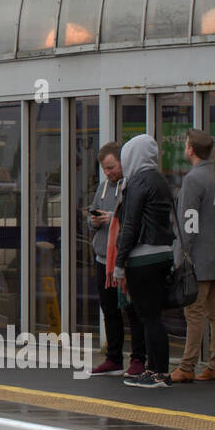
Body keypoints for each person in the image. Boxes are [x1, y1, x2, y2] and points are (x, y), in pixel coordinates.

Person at [111, 134, 176, 389]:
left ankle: (158, 372)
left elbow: (130, 225)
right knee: (154, 316)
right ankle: (154, 369)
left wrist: (119, 262)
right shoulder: (160, 180)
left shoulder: (137, 182)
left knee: (148, 317)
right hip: (162, 253)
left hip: (143, 257)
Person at [171, 129, 215, 383]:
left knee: (193, 313)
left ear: (191, 149)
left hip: (198, 259)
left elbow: (188, 222)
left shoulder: (193, 180)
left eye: (185, 144)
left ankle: (187, 366)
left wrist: (183, 255)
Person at [88, 142, 146, 377]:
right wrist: (92, 222)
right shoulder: (102, 188)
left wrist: (112, 217)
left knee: (133, 310)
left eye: (112, 167)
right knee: (109, 310)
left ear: (123, 162)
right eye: (105, 169)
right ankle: (113, 357)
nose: (109, 173)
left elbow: (134, 219)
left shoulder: (132, 187)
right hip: (103, 258)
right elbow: (91, 216)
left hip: (126, 259)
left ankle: (138, 358)